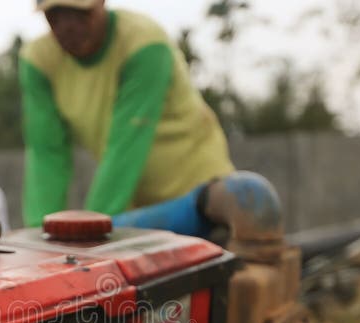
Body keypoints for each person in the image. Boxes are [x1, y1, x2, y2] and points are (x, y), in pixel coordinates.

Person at [19, 0, 235, 227]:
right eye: (55, 16)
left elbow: (126, 145)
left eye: (78, 13)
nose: (67, 27)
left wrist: (89, 231)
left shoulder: (143, 43)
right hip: (136, 210)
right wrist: (39, 234)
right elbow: (46, 153)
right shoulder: (39, 61)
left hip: (201, 199)